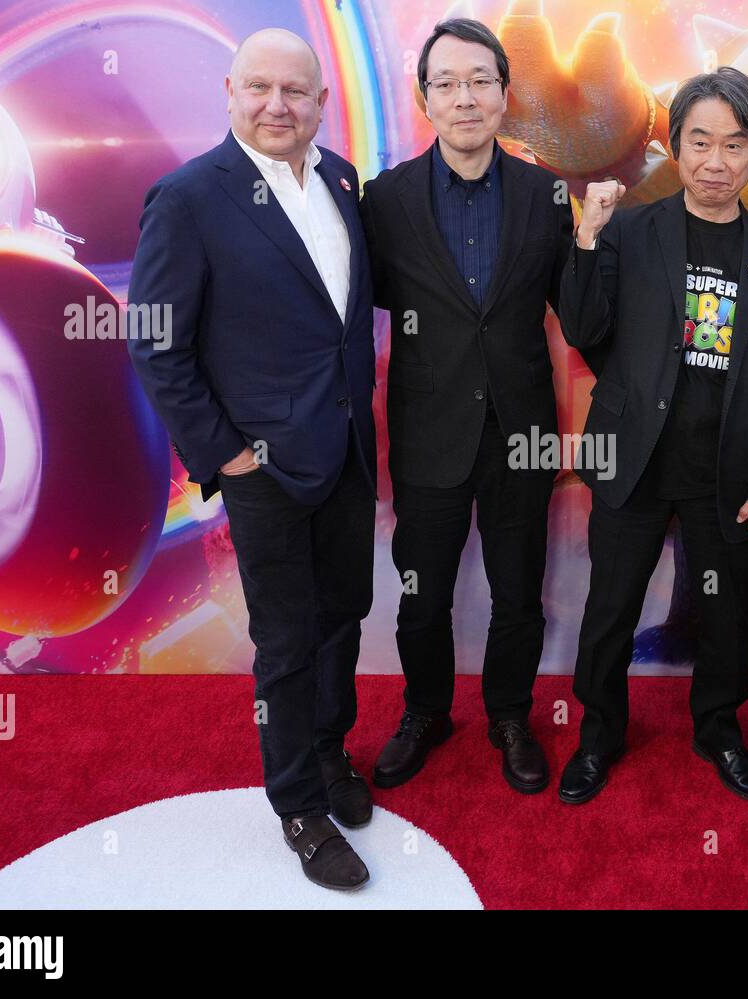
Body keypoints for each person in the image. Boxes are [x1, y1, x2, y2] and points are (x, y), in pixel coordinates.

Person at [127, 28, 376, 889]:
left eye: (295, 92)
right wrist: (225, 455)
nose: (278, 105)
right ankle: (299, 804)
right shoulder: (191, 197)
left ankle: (330, 749)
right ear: (230, 92)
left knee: (346, 608)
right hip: (260, 466)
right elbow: (158, 344)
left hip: (345, 448)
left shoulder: (341, 179)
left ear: (320, 103)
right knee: (286, 638)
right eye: (260, 88)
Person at [556, 67, 748, 805]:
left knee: (726, 611)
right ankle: (598, 734)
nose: (715, 160)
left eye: (734, 144)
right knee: (611, 609)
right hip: (635, 461)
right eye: (699, 140)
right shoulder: (632, 231)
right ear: (675, 146)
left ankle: (719, 730)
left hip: (727, 470)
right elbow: (585, 328)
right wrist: (585, 238)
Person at [358, 19, 573, 793]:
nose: (465, 98)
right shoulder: (384, 201)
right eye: (446, 83)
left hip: (522, 432)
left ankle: (510, 716)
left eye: (480, 80)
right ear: (424, 99)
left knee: (520, 591)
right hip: (429, 430)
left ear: (505, 94)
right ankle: (425, 711)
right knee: (423, 593)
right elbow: (367, 302)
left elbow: (576, 312)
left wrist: (594, 242)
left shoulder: (548, 193)